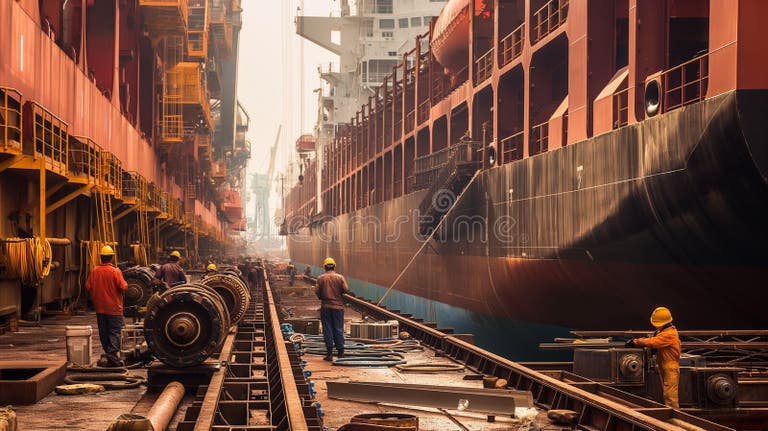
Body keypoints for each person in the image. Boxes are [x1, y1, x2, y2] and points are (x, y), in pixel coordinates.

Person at [626, 306, 681, 408]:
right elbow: (654, 339)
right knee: (666, 392)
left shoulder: (669, 334)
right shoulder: (663, 331)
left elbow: (654, 342)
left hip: (670, 367)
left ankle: (674, 417)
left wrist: (635, 342)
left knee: (670, 396)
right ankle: (670, 415)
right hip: (664, 365)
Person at [85, 245, 128, 367]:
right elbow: (123, 287)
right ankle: (112, 354)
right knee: (114, 331)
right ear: (111, 258)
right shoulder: (116, 271)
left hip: (100, 308)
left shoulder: (95, 271)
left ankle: (109, 354)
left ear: (101, 258)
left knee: (103, 332)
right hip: (114, 308)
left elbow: (88, 287)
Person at [314, 257, 349, 361]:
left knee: (327, 329)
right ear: (334, 266)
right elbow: (346, 290)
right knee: (338, 328)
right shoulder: (340, 277)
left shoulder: (321, 278)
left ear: (325, 267)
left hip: (326, 307)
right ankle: (340, 353)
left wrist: (321, 297)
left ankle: (329, 354)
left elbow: (317, 291)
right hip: (338, 307)